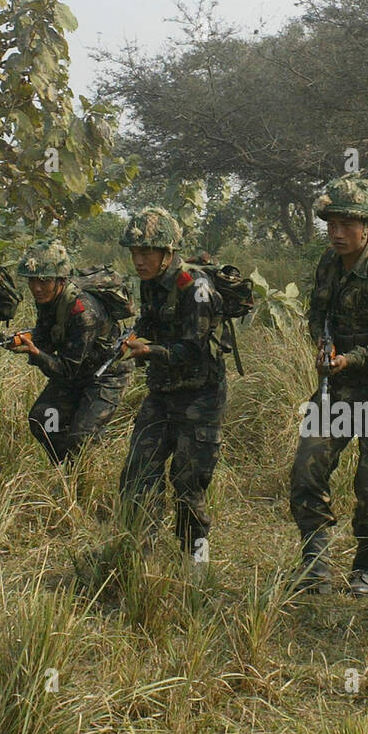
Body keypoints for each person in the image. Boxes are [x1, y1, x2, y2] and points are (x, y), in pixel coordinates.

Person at [290, 174, 368, 597]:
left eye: (347, 225)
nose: (337, 233)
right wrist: (323, 346)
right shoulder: (328, 263)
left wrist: (349, 359)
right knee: (307, 471)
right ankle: (315, 565)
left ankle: (366, 567)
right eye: (332, 225)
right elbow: (316, 313)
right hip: (335, 392)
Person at [115, 207, 227, 556]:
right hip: (161, 394)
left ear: (168, 252)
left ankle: (195, 561)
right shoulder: (151, 285)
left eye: (146, 252)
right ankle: (139, 555)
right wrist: (130, 338)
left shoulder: (195, 288)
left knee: (188, 485)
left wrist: (149, 351)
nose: (138, 260)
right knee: (136, 475)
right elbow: (149, 323)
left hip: (200, 399)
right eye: (134, 252)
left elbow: (193, 350)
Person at [9, 240, 132, 462]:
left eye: (44, 281)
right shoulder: (48, 299)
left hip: (105, 377)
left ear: (61, 280)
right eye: (32, 280)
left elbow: (66, 370)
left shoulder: (83, 311)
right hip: (76, 371)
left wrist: (35, 354)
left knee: (81, 438)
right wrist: (25, 339)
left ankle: (85, 477)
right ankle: (67, 471)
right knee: (43, 420)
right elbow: (46, 334)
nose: (37, 287)